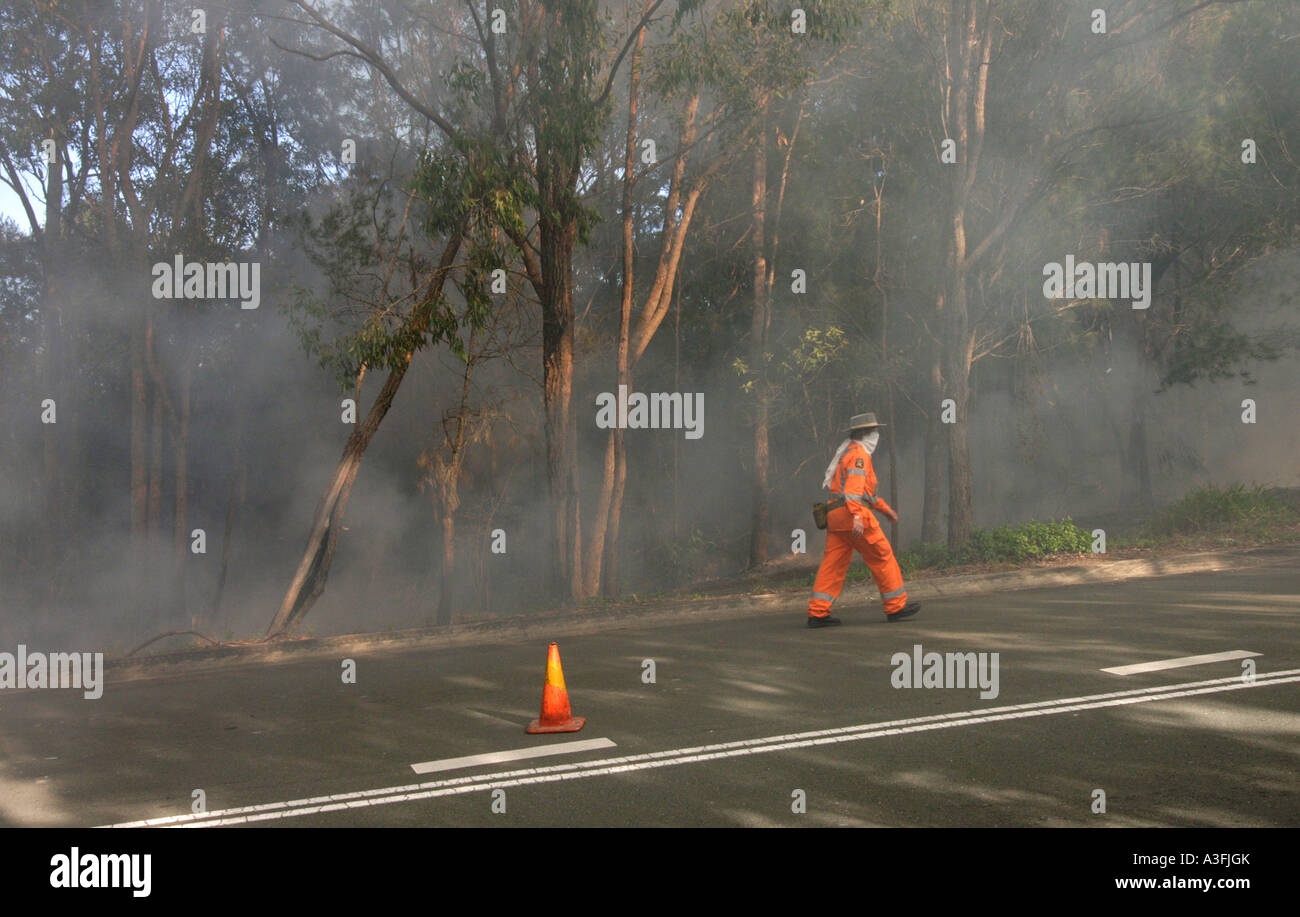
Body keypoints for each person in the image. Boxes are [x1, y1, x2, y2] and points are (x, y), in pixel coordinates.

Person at [807, 412, 921, 628]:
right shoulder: (859, 455)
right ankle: (896, 606)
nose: (876, 435)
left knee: (833, 565)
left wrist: (885, 510)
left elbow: (867, 493)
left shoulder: (845, 453)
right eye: (874, 431)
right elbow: (854, 491)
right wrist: (858, 516)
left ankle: (817, 613)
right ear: (864, 433)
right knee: (882, 556)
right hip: (852, 515)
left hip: (836, 518)